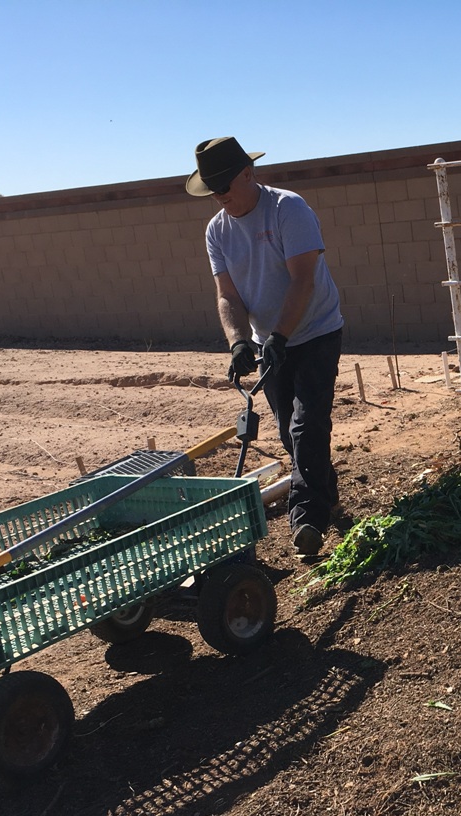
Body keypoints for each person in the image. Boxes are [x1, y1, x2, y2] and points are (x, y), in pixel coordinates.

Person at [186, 136, 344, 560]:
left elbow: (303, 280)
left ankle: (307, 520)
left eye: (226, 186)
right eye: (213, 190)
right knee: (288, 432)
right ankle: (324, 490)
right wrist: (239, 342)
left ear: (248, 173)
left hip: (315, 331)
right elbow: (228, 296)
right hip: (268, 342)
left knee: (307, 424)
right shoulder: (216, 230)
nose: (221, 197)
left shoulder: (287, 209)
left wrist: (280, 335)